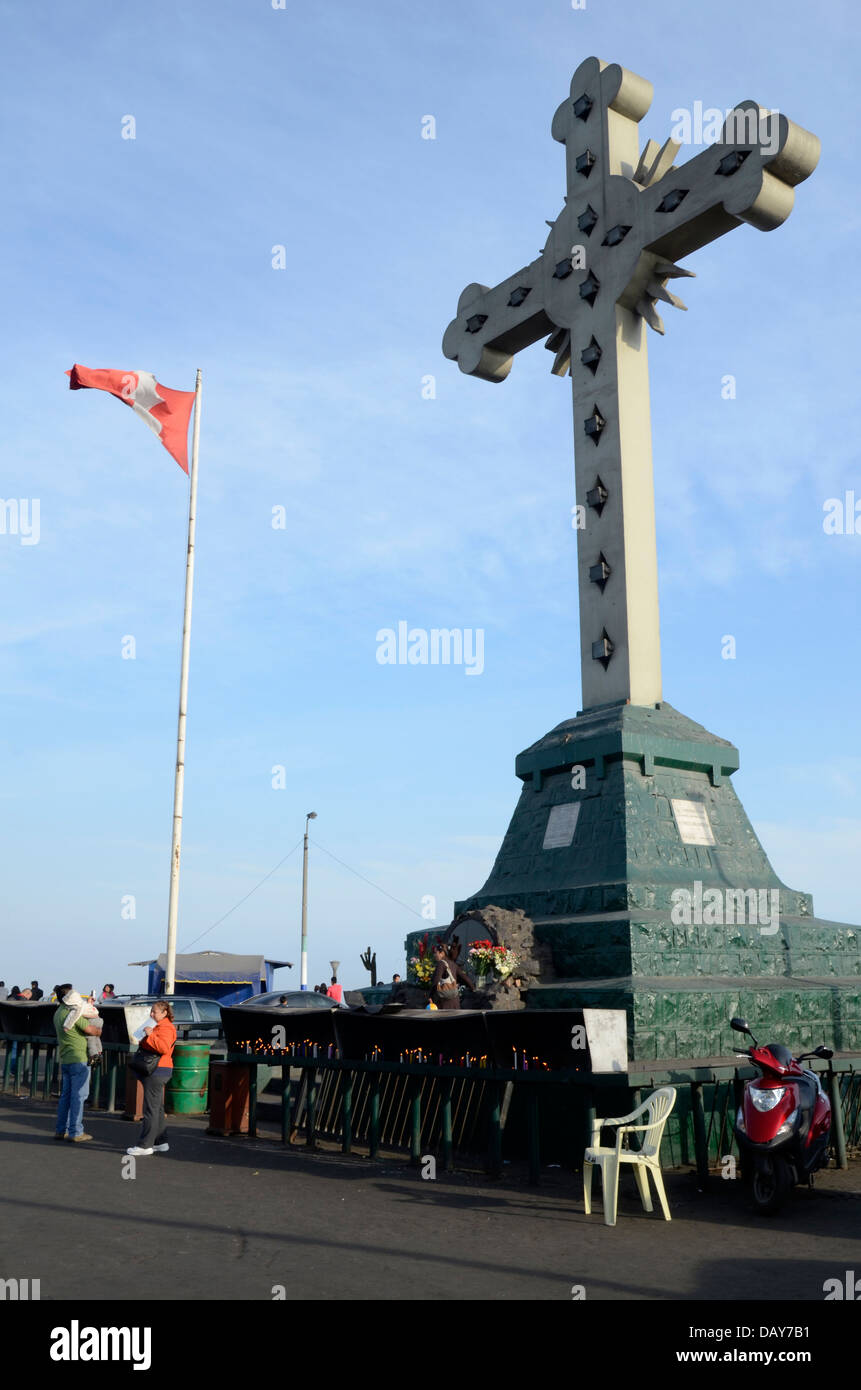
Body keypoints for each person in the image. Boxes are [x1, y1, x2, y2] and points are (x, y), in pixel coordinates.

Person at [127, 1001, 177, 1158]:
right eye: (151, 1011)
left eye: (154, 1012)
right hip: (159, 1070)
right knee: (157, 1108)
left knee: (151, 1109)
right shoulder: (160, 1026)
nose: (151, 1014)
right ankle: (160, 1142)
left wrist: (150, 1035)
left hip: (157, 1070)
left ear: (164, 1013)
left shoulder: (166, 1028)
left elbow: (163, 1047)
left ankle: (145, 1145)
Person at [53, 985, 102, 1143]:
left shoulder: (58, 1013)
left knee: (66, 1096)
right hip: (79, 1058)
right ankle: (76, 1132)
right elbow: (93, 1030)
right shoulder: (73, 1014)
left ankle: (61, 1130)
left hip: (66, 1058)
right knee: (79, 1097)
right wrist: (99, 1029)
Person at [429, 944, 474, 1012]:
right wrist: (473, 988)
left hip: (444, 1002)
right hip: (455, 1002)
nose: (434, 955)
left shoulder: (441, 964)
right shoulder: (453, 964)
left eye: (435, 953)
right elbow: (464, 977)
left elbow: (436, 981)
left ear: (442, 953)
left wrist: (430, 996)